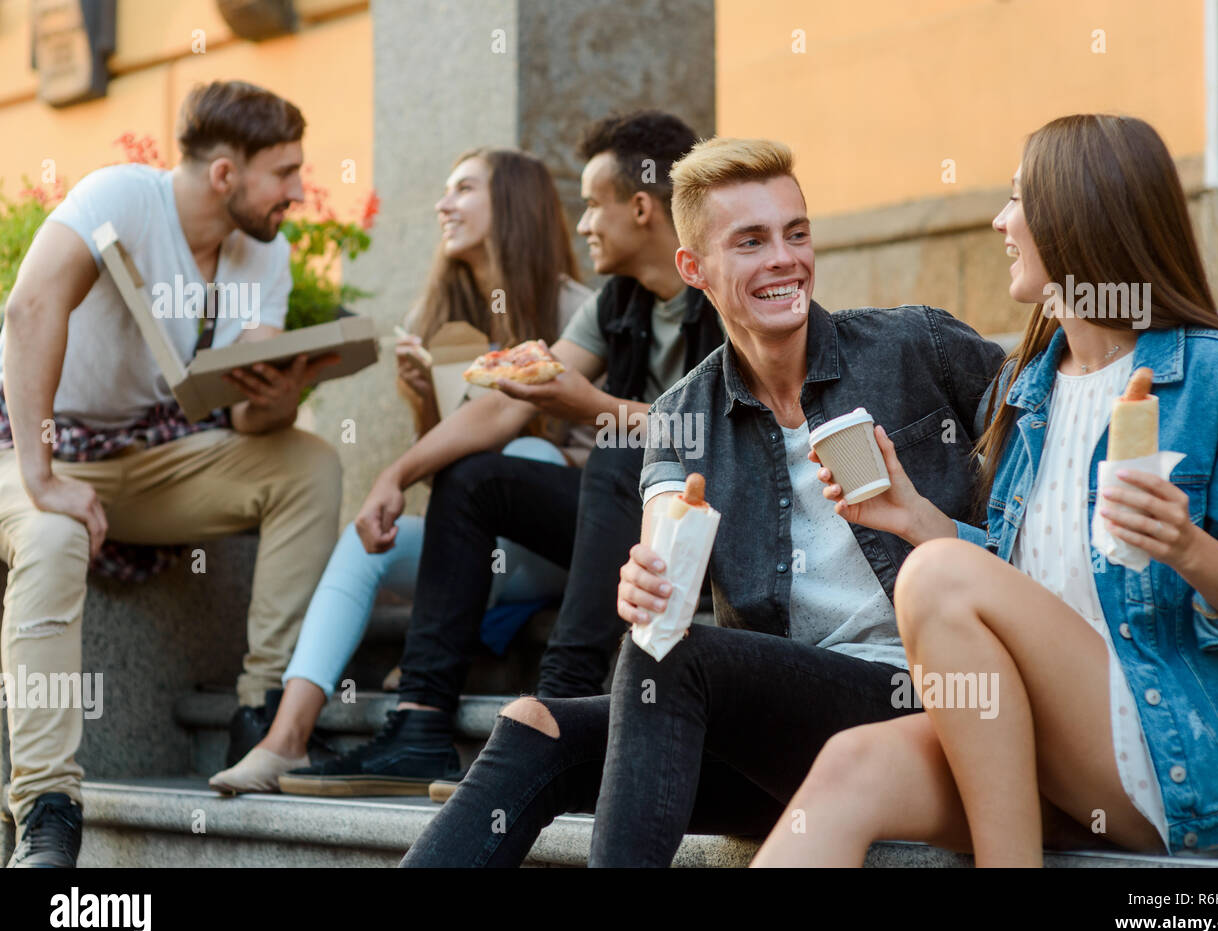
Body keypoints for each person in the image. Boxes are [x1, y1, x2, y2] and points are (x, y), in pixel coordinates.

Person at [399, 136, 1006, 867]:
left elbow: (1047, 465)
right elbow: (663, 563)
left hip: (931, 699)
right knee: (535, 722)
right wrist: (647, 584)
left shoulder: (919, 346)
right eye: (751, 241)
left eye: (797, 233)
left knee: (677, 657)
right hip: (787, 743)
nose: (785, 259)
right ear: (694, 268)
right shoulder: (684, 415)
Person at [751, 114, 1218, 868]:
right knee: (851, 767)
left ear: (1079, 217)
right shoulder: (1026, 389)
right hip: (1047, 741)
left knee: (935, 575)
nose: (999, 221)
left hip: (1181, 759)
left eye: (1019, 200)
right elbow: (1027, 587)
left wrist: (1191, 549)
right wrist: (916, 518)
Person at [262, 110, 727, 799]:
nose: (583, 225)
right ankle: (421, 723)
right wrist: (397, 472)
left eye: (594, 205)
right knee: (478, 477)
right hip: (627, 530)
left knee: (617, 451)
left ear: (640, 207)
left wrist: (592, 408)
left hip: (716, 530)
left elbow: (720, 440)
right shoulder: (613, 304)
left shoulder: (725, 291)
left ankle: (560, 711)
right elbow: (516, 401)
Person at [1, 80, 343, 867]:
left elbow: (245, 413)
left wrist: (279, 399)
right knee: (51, 538)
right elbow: (28, 310)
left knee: (310, 465)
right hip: (24, 447)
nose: (297, 190)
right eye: (284, 172)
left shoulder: (265, 251)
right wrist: (40, 473)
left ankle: (259, 710)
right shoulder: (123, 194)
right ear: (225, 174)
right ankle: (47, 811)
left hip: (149, 455)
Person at [208, 148, 592, 794]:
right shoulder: (435, 315)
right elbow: (457, 479)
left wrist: (402, 467)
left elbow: (557, 447)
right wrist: (427, 398)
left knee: (525, 456)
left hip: (561, 538)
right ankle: (284, 738)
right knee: (361, 546)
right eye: (445, 190)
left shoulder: (579, 307)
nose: (443, 204)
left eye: (464, 188)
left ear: (515, 204)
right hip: (480, 546)